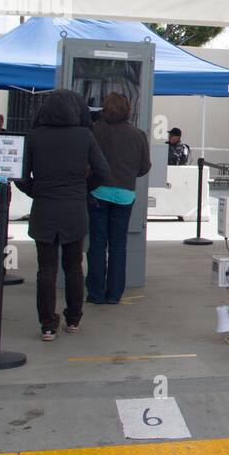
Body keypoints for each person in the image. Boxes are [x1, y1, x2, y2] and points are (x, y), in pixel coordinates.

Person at [16, 89, 111, 341]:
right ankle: (73, 319)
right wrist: (82, 189)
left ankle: (47, 325)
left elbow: (21, 176)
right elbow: (103, 171)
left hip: (44, 207)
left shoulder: (34, 137)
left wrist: (37, 191)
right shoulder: (84, 136)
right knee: (74, 266)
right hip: (74, 208)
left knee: (45, 269)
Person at [87, 92, 151, 305]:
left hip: (98, 191)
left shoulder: (95, 131)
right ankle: (114, 294)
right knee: (118, 244)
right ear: (128, 110)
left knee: (97, 243)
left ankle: (95, 293)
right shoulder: (138, 135)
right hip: (125, 194)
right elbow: (144, 167)